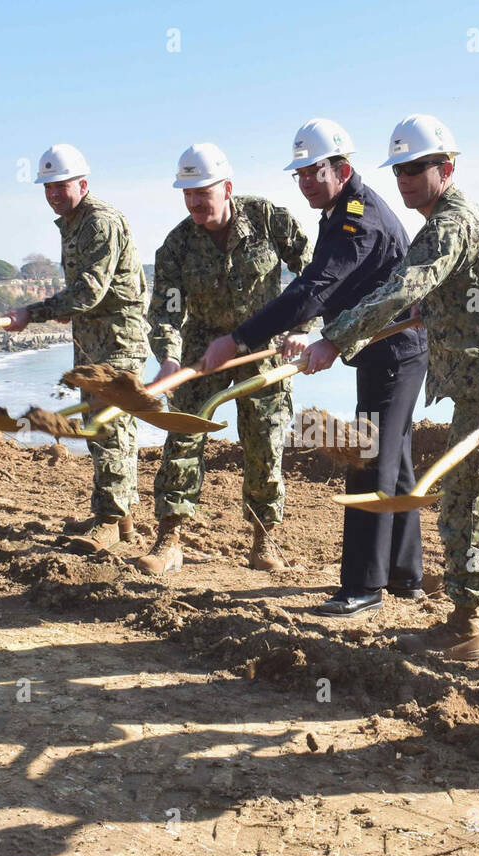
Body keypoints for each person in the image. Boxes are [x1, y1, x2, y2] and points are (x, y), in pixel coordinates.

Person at [300, 115, 479, 660]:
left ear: (445, 168)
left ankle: (464, 624)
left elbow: (406, 283)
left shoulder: (450, 221)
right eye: (399, 170)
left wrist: (335, 339)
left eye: (416, 168)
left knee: (465, 500)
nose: (404, 180)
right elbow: (430, 294)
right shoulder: (446, 220)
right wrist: (426, 311)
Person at [200, 118, 429, 617]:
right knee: (396, 458)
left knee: (368, 458)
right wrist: (314, 331)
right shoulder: (341, 210)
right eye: (299, 173)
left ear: (342, 169)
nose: (305, 181)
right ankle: (404, 574)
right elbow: (341, 287)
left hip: (394, 351)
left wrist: (241, 338)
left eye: (313, 171)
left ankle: (363, 587)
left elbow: (313, 288)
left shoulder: (356, 219)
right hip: (383, 349)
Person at [138, 143, 312, 574]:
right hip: (205, 349)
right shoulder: (177, 245)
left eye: (203, 192)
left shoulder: (269, 220)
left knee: (265, 444)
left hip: (264, 348)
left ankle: (263, 539)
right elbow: (166, 310)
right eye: (187, 194)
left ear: (227, 188)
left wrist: (301, 327)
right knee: (183, 436)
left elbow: (314, 269)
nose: (195, 202)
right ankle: (171, 537)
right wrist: (170, 359)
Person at [6, 143, 149, 553]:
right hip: (93, 342)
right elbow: (88, 293)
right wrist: (69, 309)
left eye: (60, 184)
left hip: (118, 343)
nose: (52, 193)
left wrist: (34, 313)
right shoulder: (73, 222)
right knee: (103, 428)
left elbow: (88, 291)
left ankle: (108, 520)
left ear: (82, 184)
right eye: (47, 185)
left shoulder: (98, 222)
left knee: (109, 425)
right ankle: (122, 520)